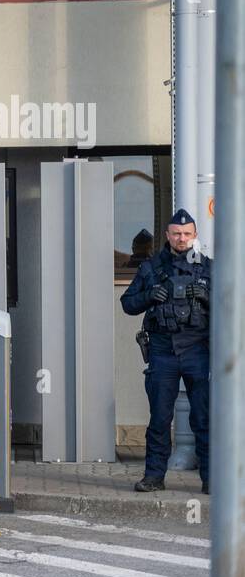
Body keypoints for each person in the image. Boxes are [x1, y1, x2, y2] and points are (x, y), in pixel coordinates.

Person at [120, 209, 212, 495]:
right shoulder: (151, 268)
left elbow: (232, 307)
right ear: (168, 235)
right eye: (176, 233)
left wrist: (209, 297)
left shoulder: (210, 268)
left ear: (195, 235)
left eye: (186, 234)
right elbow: (128, 303)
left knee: (204, 418)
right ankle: (154, 476)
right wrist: (148, 295)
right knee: (160, 418)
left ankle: (211, 479)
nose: (181, 238)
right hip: (163, 351)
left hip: (199, 350)